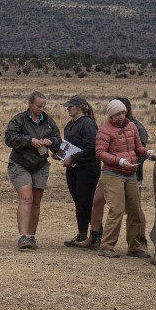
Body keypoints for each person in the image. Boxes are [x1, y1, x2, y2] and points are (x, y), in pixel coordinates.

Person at [85, 97, 152, 256]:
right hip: (112, 174)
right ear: (111, 115)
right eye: (117, 114)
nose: (121, 116)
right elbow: (100, 153)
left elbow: (138, 148)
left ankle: (134, 247)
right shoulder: (105, 130)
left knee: (134, 210)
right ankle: (106, 247)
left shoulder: (132, 127)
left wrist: (147, 152)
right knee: (117, 210)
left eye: (123, 112)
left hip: (131, 173)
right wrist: (118, 161)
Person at [4, 91, 61, 250]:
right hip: (20, 164)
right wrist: (29, 141)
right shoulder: (19, 120)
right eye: (38, 106)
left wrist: (51, 141)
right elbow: (9, 138)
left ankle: (31, 236)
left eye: (44, 106)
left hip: (40, 166)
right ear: (30, 104)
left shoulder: (49, 122)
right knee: (26, 198)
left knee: (36, 202)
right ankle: (22, 237)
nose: (42, 109)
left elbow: (58, 140)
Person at [58, 95, 101, 249]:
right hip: (74, 168)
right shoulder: (70, 125)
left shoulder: (87, 124)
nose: (68, 109)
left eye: (70, 106)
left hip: (88, 168)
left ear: (79, 107)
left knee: (86, 201)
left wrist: (73, 158)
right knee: (78, 200)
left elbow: (93, 148)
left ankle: (97, 235)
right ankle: (82, 234)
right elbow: (69, 145)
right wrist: (61, 154)